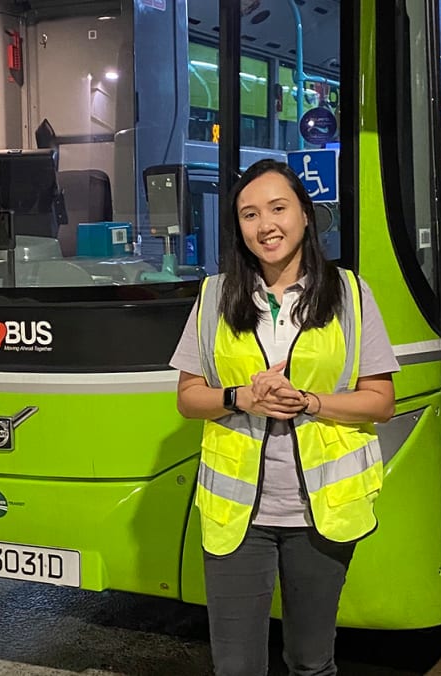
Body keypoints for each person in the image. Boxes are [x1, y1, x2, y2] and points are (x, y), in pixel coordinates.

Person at [170, 158, 399, 676]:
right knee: (236, 667)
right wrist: (240, 399)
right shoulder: (213, 296)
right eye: (249, 214)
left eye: (278, 208)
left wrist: (309, 401)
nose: (265, 225)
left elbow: (380, 402)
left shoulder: (349, 294)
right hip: (237, 517)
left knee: (311, 661)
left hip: (321, 515)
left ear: (305, 216)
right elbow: (188, 397)